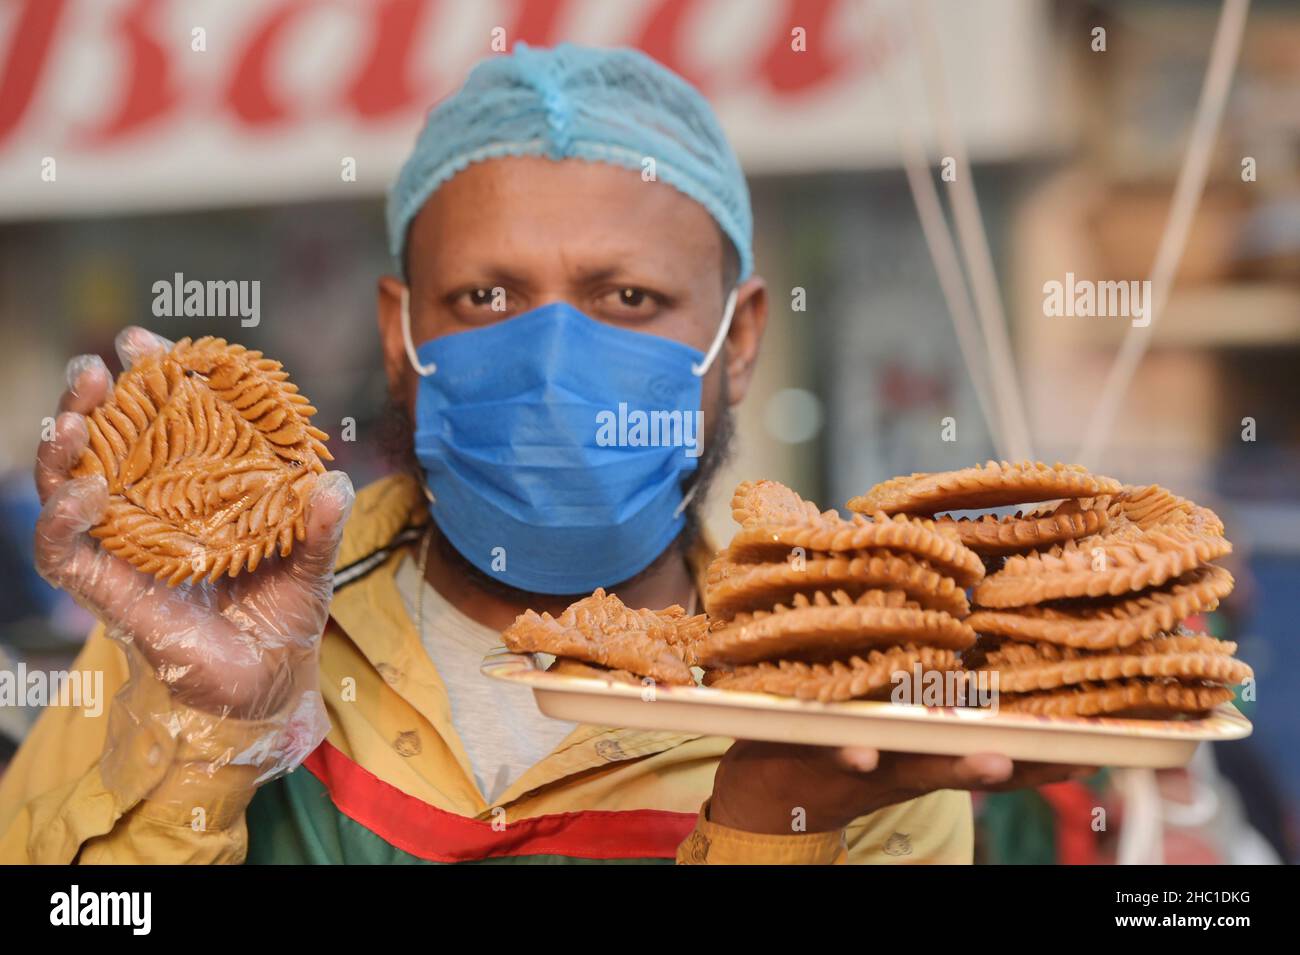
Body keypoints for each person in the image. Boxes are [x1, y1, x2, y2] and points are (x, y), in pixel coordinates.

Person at [0, 43, 1084, 865]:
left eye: (628, 297)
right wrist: (207, 743)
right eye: (486, 295)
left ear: (740, 337)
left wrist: (770, 820)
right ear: (400, 331)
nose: (556, 357)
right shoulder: (211, 628)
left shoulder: (855, 712)